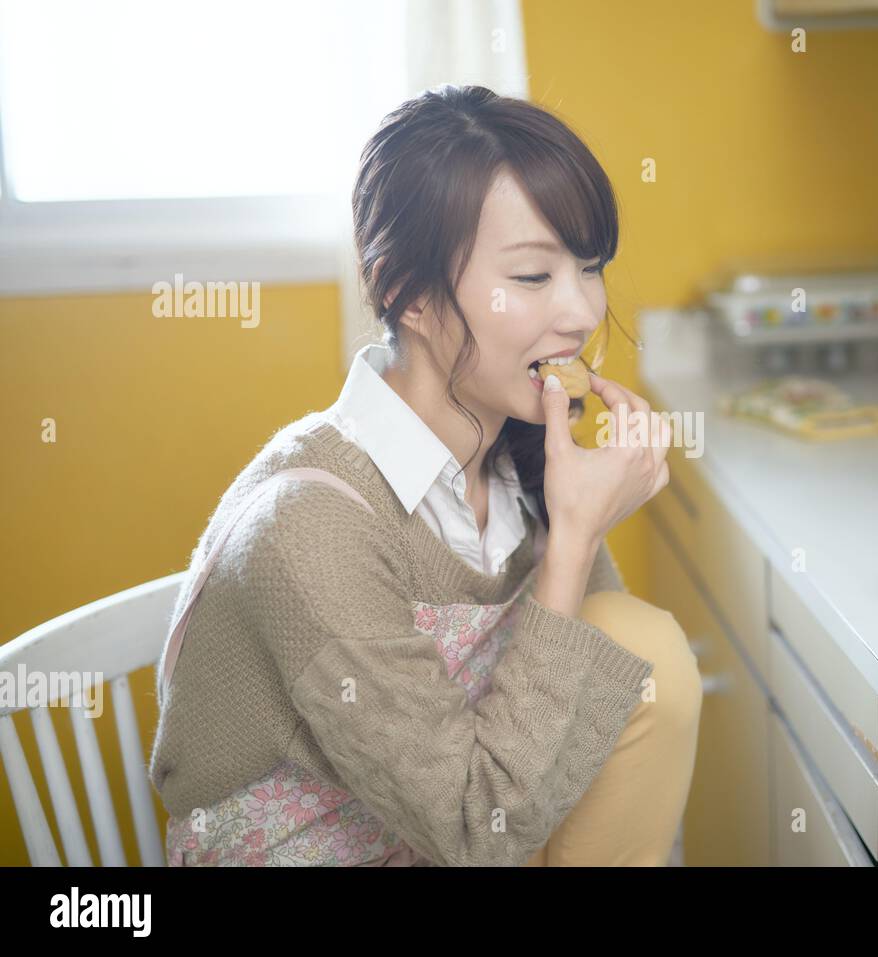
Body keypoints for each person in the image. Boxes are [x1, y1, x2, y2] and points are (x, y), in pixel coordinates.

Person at [148, 85, 703, 866]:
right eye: (535, 277)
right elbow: (479, 832)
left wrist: (571, 527)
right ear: (407, 293)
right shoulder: (305, 526)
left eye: (590, 266)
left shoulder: (522, 464)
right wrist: (575, 538)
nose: (582, 312)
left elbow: (579, 718)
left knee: (644, 652)